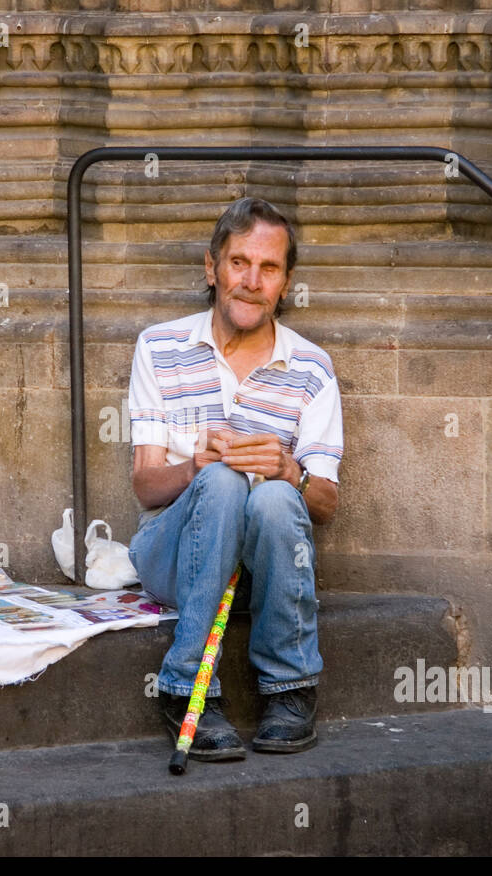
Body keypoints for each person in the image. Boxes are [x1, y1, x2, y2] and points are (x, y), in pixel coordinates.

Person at [126, 196, 344, 761]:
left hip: (261, 570)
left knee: (274, 498)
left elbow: (325, 503)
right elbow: (145, 487)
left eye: (268, 268)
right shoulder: (160, 347)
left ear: (286, 282)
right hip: (172, 554)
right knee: (220, 483)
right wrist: (196, 467)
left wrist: (291, 472)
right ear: (211, 268)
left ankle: (291, 690)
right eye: (239, 262)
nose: (252, 281)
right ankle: (184, 686)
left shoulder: (312, 369)